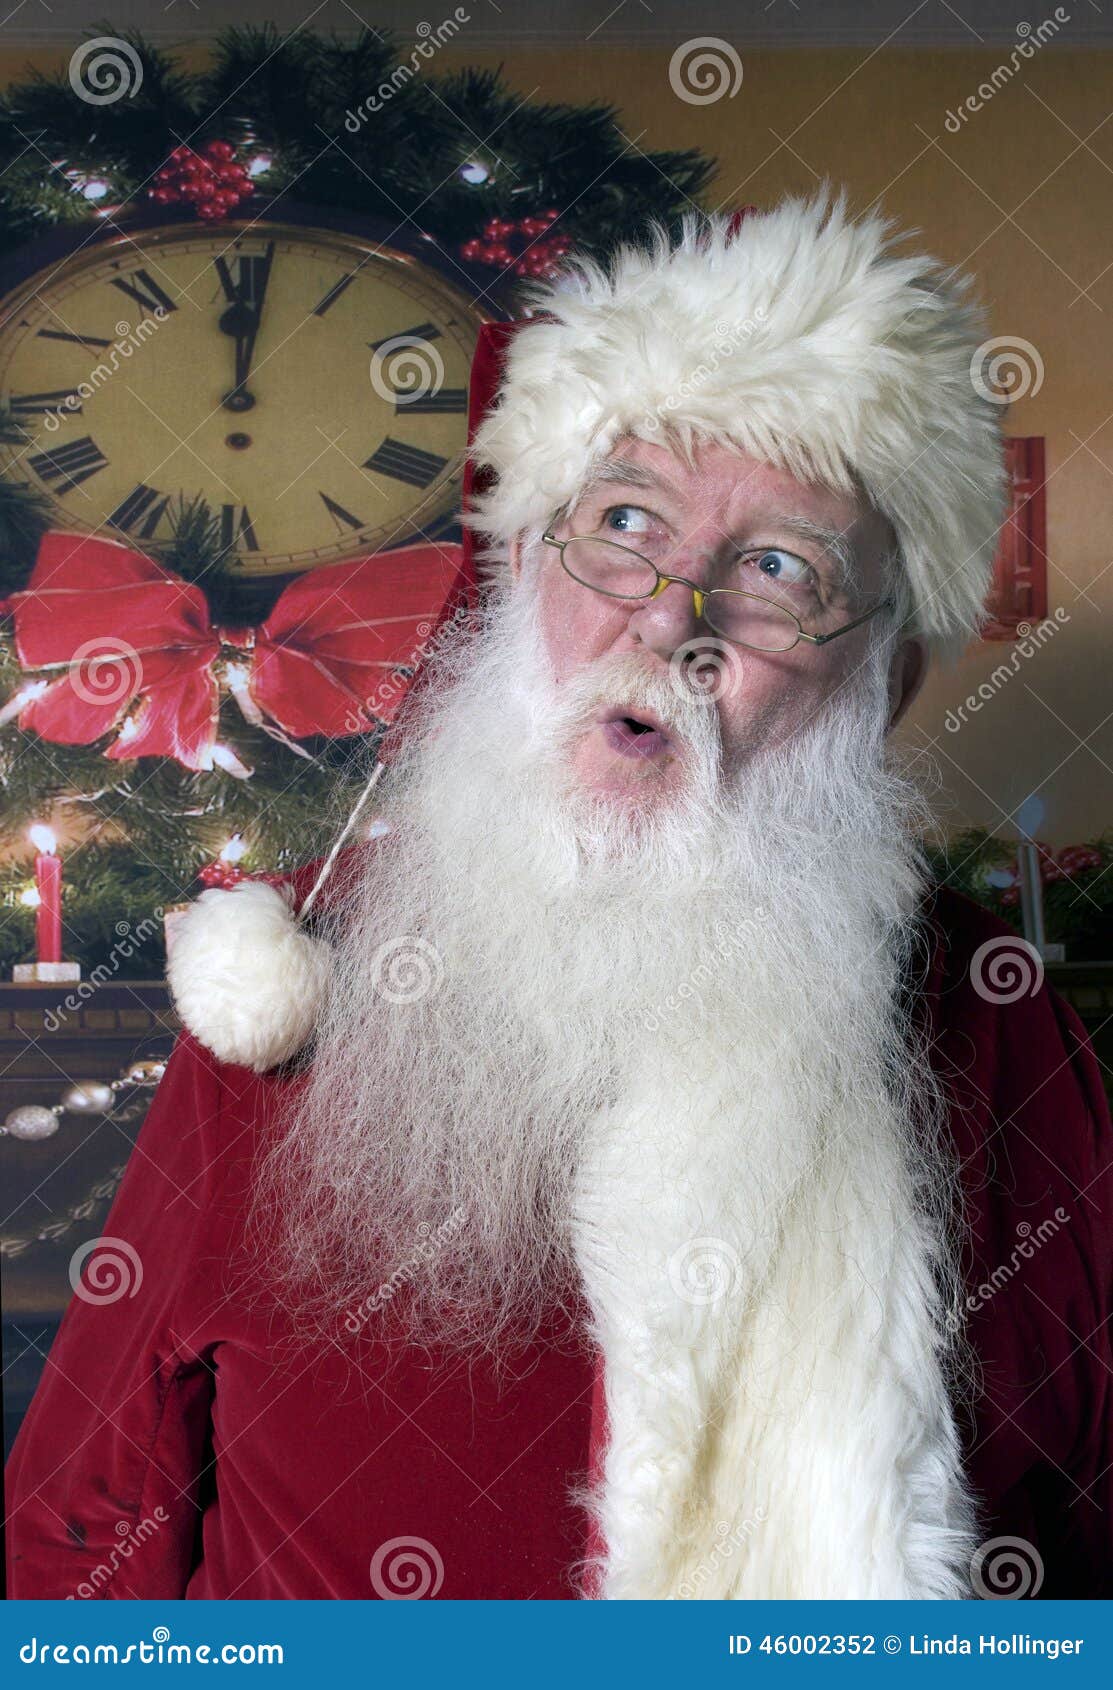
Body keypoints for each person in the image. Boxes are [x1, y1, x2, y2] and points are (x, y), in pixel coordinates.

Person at [6, 186, 1111, 1601]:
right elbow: (85, 1532)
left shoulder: (1003, 1032)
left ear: (881, 683)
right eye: (625, 520)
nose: (669, 615)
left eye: (776, 567)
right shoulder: (300, 979)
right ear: (527, 564)